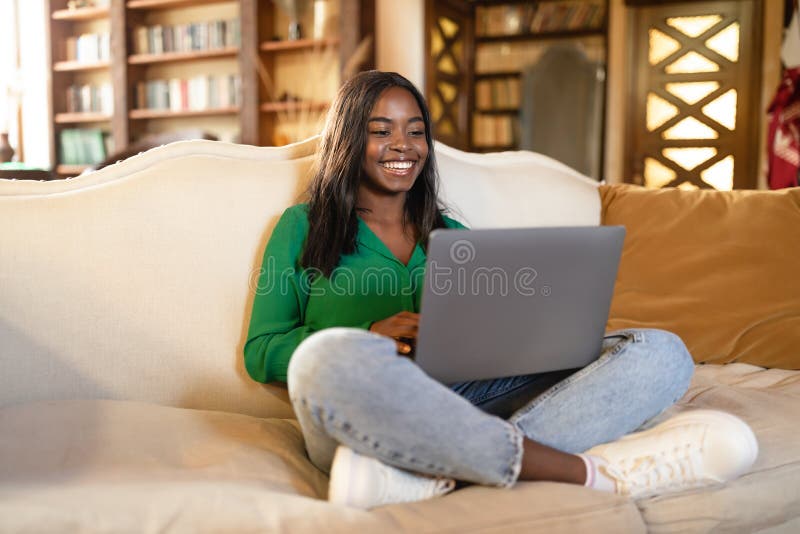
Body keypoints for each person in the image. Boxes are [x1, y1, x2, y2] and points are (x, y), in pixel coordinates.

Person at [244, 70, 758, 509]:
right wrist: (368, 334)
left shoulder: (451, 236)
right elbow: (261, 351)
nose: (403, 145)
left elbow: (494, 339)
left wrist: (538, 340)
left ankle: (429, 475)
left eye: (416, 131)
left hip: (464, 398)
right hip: (367, 408)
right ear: (349, 140)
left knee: (660, 352)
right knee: (326, 360)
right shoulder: (301, 227)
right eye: (382, 131)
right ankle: (586, 472)